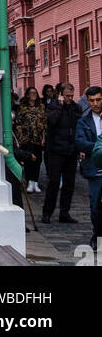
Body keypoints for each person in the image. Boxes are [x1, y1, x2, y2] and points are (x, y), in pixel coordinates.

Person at [42, 82, 83, 225]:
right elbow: (51, 122)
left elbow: (79, 127)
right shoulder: (53, 107)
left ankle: (64, 213)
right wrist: (60, 106)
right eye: (67, 96)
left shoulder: (76, 108)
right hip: (55, 151)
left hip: (71, 151)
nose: (69, 98)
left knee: (69, 185)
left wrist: (78, 149)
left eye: (71, 96)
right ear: (60, 95)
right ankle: (47, 212)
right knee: (53, 183)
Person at [75, 85, 102, 243]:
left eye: (98, 100)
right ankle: (97, 235)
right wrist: (98, 146)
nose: (95, 103)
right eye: (92, 101)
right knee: (95, 206)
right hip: (94, 170)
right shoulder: (84, 121)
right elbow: (80, 142)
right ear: (87, 101)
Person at [15, 86, 46, 193]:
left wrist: (43, 135)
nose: (34, 95)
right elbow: (18, 123)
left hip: (38, 138)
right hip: (26, 138)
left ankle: (35, 182)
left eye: (35, 93)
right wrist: (21, 136)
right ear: (27, 95)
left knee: (37, 160)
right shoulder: (23, 107)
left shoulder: (41, 106)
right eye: (31, 93)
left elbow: (44, 122)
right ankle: (29, 182)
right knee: (28, 160)